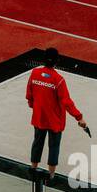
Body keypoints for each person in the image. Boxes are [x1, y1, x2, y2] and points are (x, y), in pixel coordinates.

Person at [25, 47, 86, 177]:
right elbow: (66, 101)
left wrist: (34, 106)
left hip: (39, 117)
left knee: (37, 143)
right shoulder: (59, 80)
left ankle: (33, 168)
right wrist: (79, 117)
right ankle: (51, 175)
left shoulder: (34, 73)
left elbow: (29, 94)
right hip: (55, 121)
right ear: (57, 61)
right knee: (54, 146)